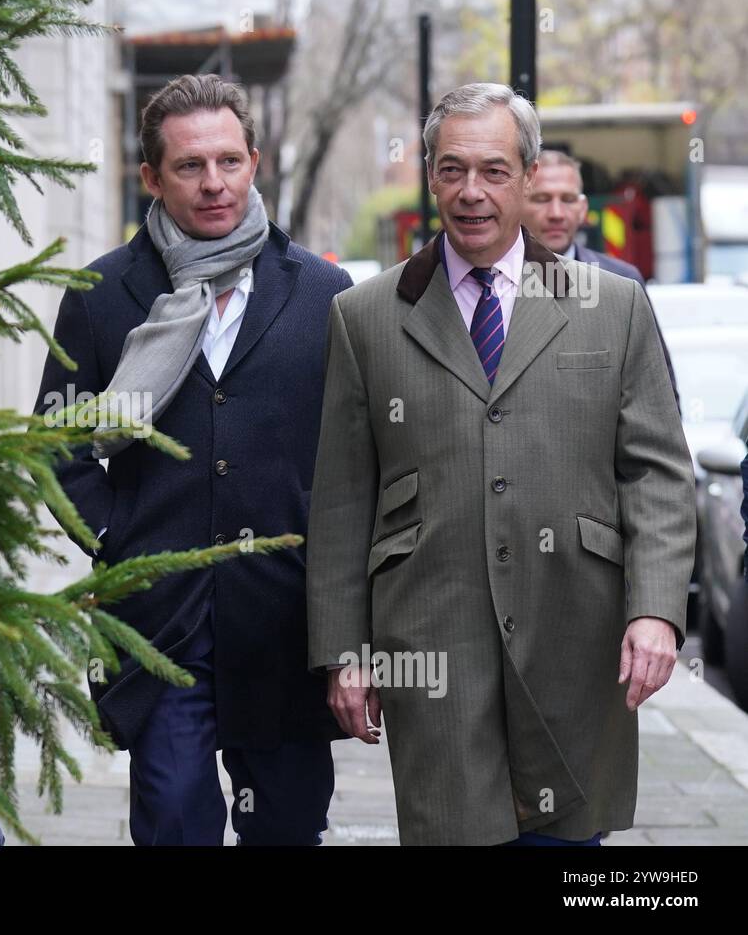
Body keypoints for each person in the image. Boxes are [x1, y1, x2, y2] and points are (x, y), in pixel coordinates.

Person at [306, 82, 696, 846]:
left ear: (526, 175)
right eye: (452, 170)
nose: (472, 193)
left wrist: (656, 610)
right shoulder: (367, 317)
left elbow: (656, 471)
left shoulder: (611, 306)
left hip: (577, 643)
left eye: (493, 170)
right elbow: (343, 499)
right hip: (433, 649)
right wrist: (344, 653)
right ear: (429, 178)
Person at [34, 73, 351, 845]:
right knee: (173, 819)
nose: (214, 184)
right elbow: (59, 444)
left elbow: (357, 457)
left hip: (284, 618)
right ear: (150, 176)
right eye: (188, 166)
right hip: (161, 620)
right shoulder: (105, 291)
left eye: (228, 162)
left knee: (288, 824)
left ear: (256, 161)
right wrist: (120, 539)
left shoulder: (323, 293)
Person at [522, 148, 679, 404]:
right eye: (541, 199)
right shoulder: (495, 279)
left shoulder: (622, 282)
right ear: (519, 203)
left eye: (568, 199)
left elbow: (659, 391)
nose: (556, 213)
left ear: (583, 208)